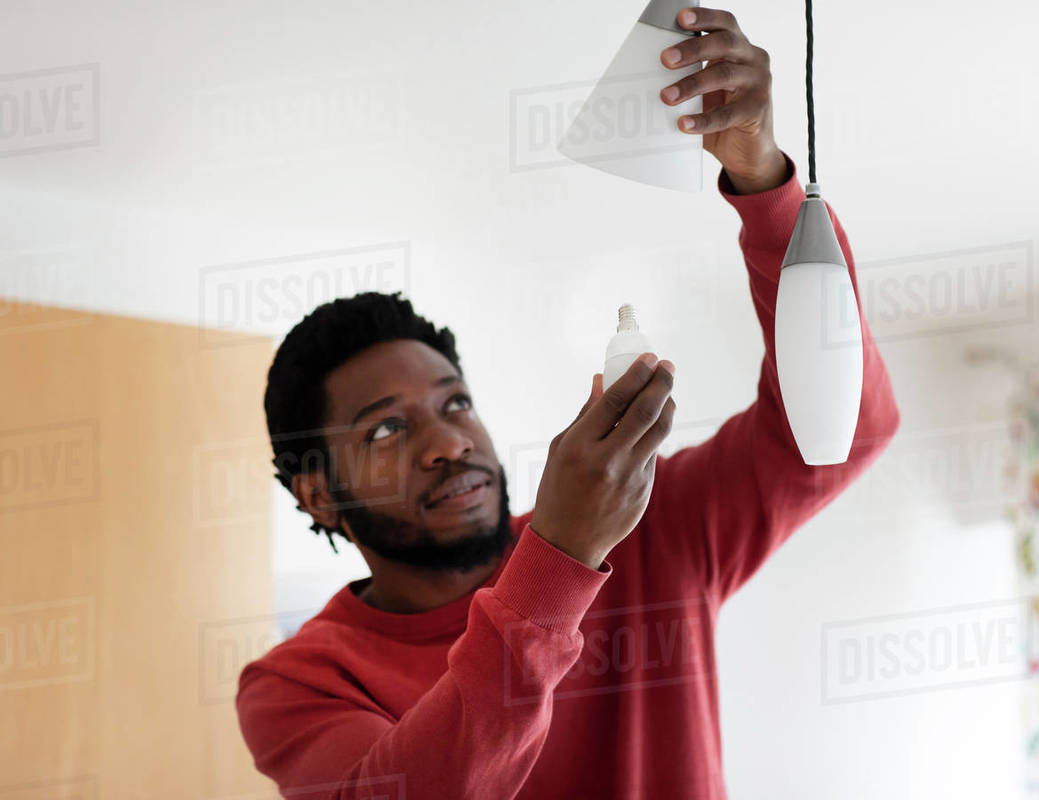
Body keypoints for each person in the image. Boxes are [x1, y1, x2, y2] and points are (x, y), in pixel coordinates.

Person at [236, 7, 901, 798]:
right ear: (318, 489)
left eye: (455, 403)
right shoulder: (302, 682)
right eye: (386, 427)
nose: (447, 443)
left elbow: (844, 429)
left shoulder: (650, 534)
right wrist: (558, 561)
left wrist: (764, 183)